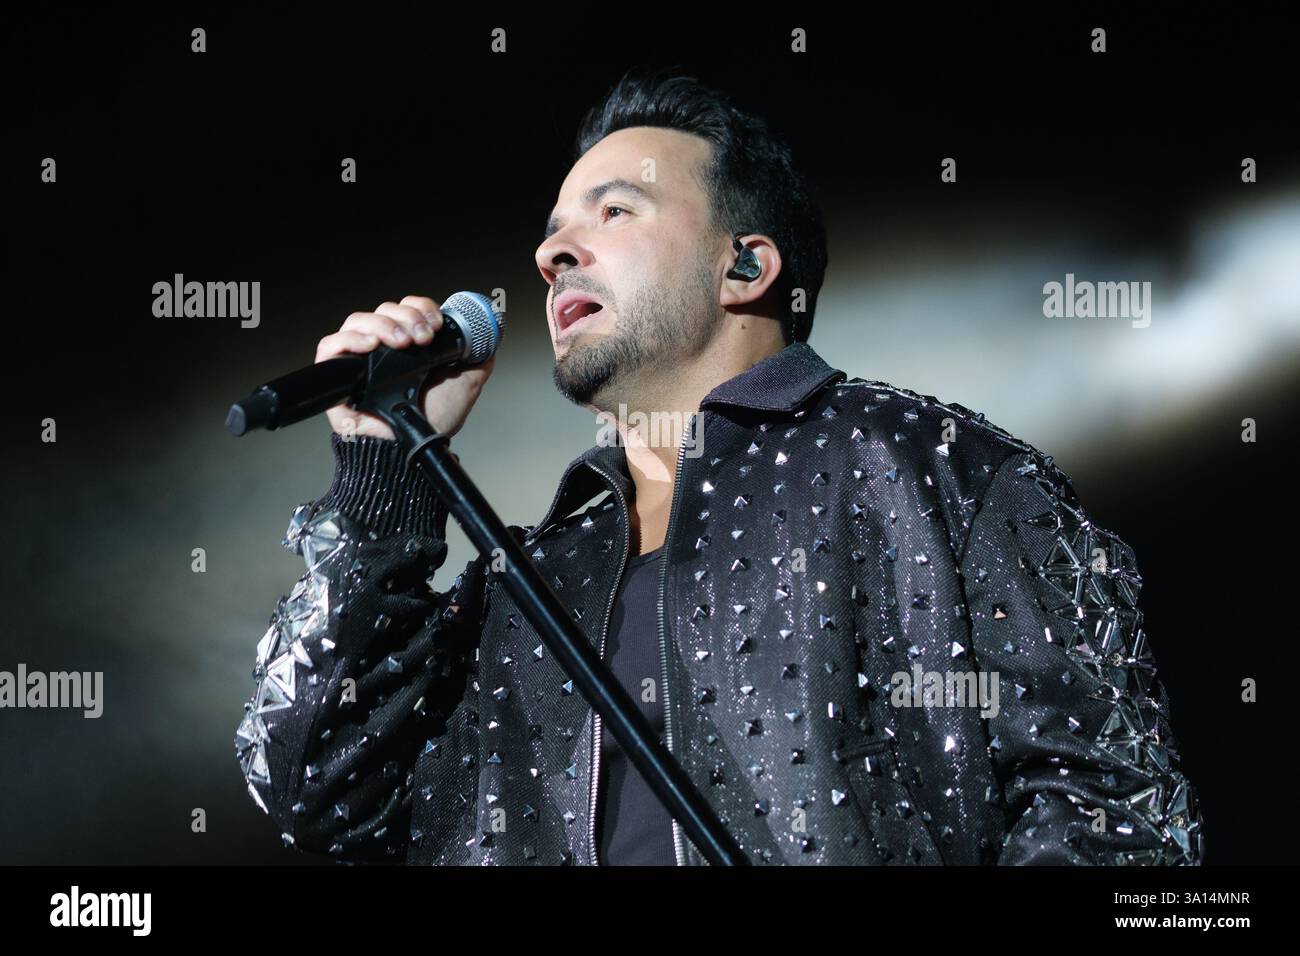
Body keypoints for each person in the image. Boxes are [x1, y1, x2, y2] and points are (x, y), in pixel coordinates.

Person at [234, 68, 1203, 865]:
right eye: (551, 230)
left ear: (746, 267)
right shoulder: (525, 580)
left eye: (613, 210)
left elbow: (1113, 818)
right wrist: (382, 482)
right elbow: (316, 785)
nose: (549, 252)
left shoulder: (929, 472)